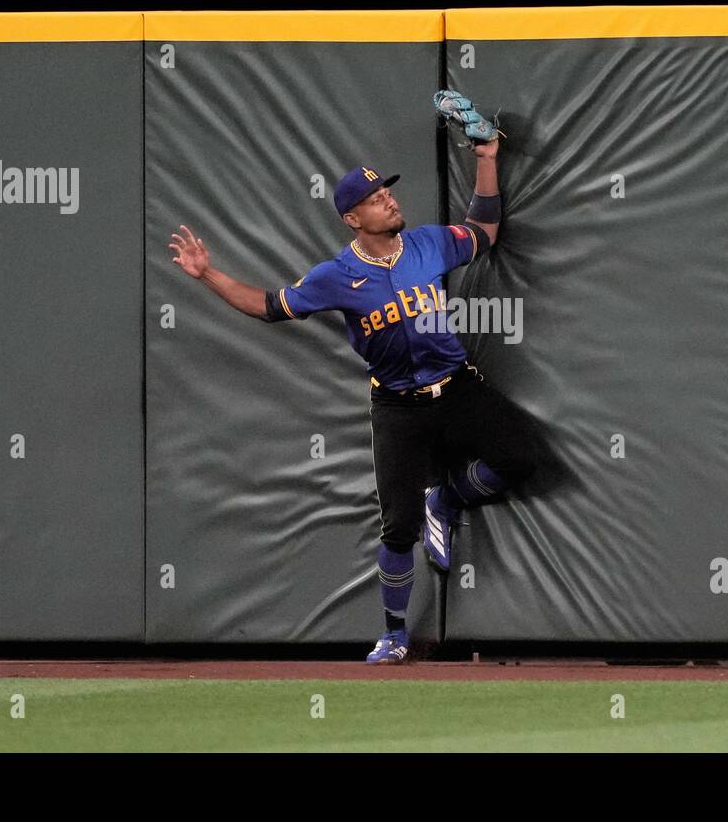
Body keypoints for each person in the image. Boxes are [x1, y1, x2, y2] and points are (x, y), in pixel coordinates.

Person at [169, 137, 535, 664]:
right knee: (399, 526)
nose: (387, 199)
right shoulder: (336, 276)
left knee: (521, 456)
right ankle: (393, 634)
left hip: (455, 385)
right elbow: (271, 305)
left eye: (386, 190)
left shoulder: (428, 244)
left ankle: (449, 498)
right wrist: (206, 273)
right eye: (374, 197)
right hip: (397, 407)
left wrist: (485, 159)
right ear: (352, 218)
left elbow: (483, 231)